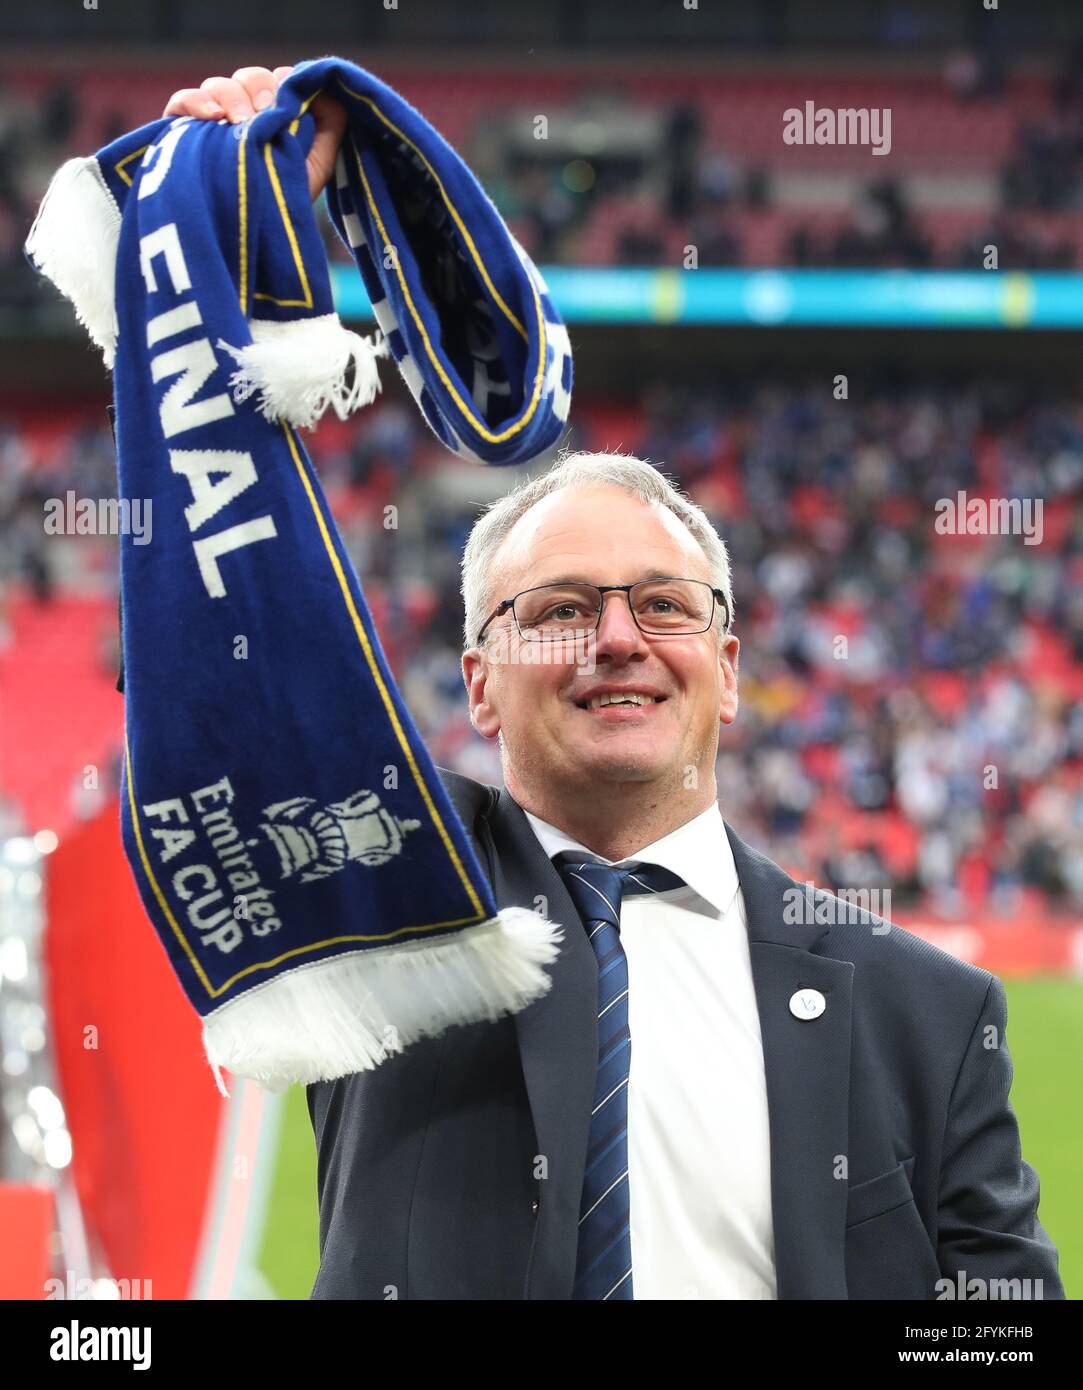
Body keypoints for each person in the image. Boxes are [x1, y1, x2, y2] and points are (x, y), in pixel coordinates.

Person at [164, 69, 1064, 1301]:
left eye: (663, 604)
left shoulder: (929, 1013)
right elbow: (237, 679)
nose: (617, 638)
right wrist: (223, 261)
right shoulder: (390, 906)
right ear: (478, 681)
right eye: (559, 611)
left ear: (731, 668)